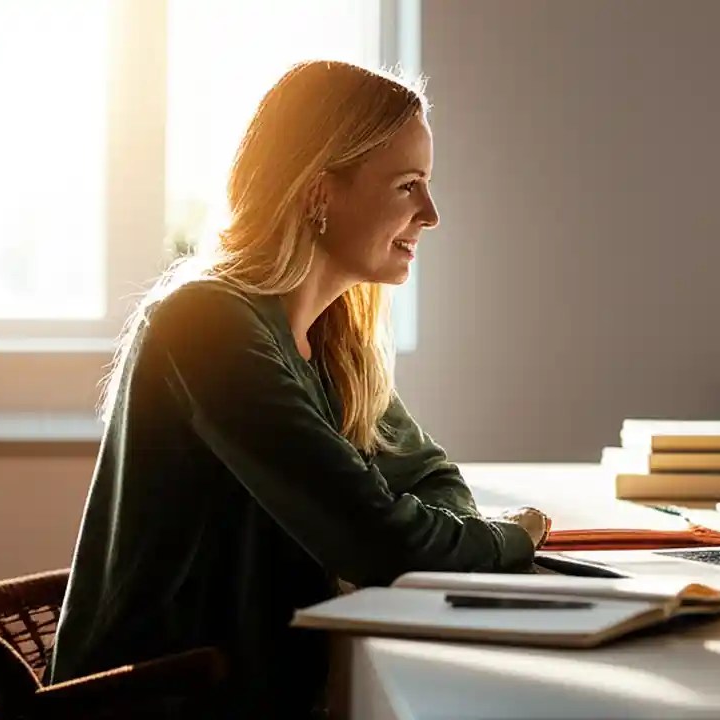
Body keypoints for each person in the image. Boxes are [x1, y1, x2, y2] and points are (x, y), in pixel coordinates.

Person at [46, 60, 551, 718]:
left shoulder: (332, 336)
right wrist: (509, 537)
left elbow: (426, 475)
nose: (431, 214)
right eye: (408, 187)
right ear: (318, 193)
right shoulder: (208, 324)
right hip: (161, 701)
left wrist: (456, 532)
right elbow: (381, 540)